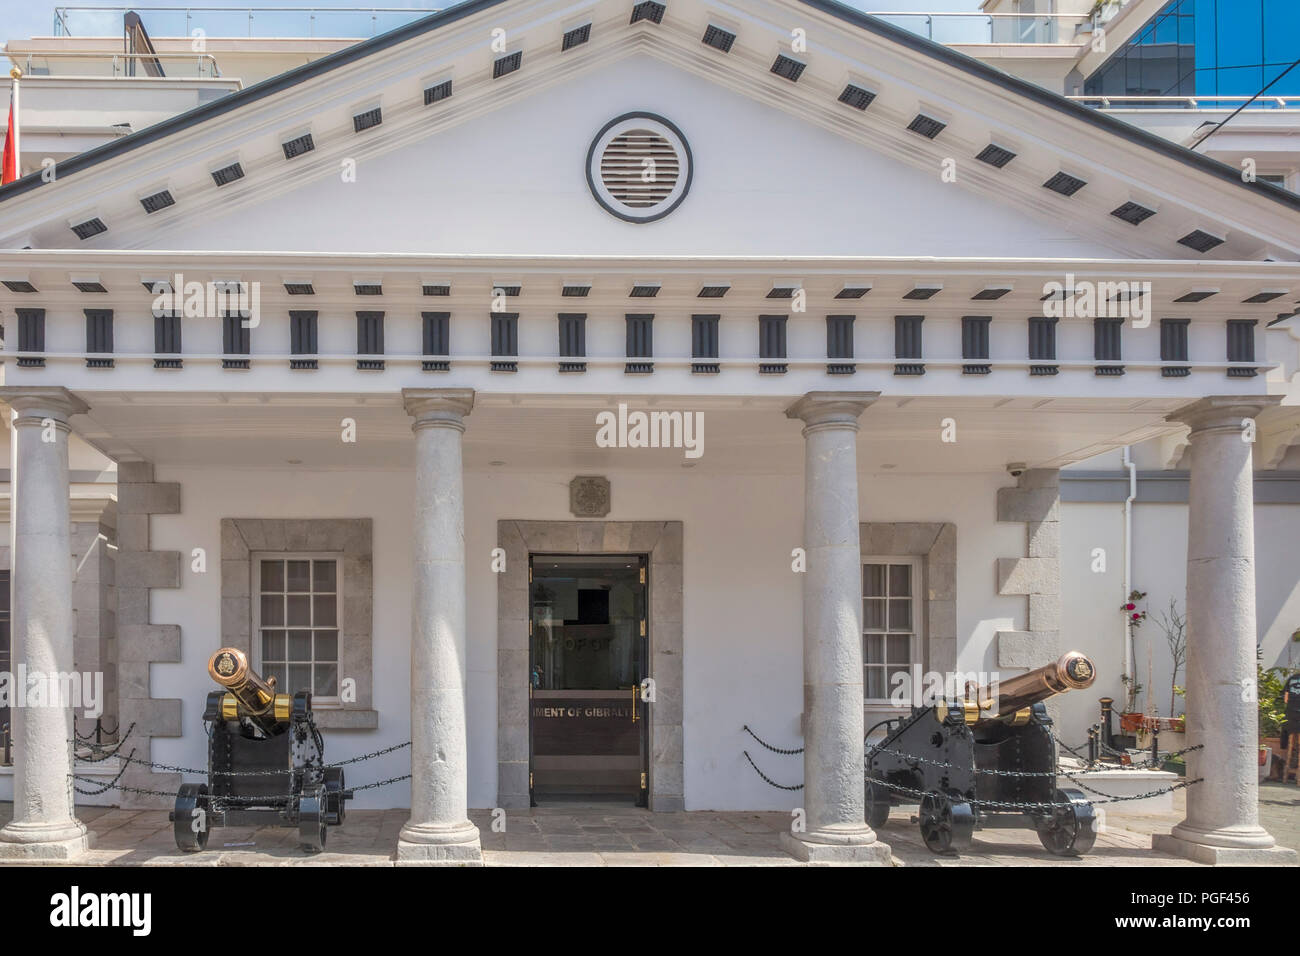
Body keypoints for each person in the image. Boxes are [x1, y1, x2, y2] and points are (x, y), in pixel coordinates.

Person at [1283, 668, 1300, 784]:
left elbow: (1285, 699)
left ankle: (1286, 775)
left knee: (1289, 739)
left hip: (1291, 717)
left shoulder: (1291, 679)